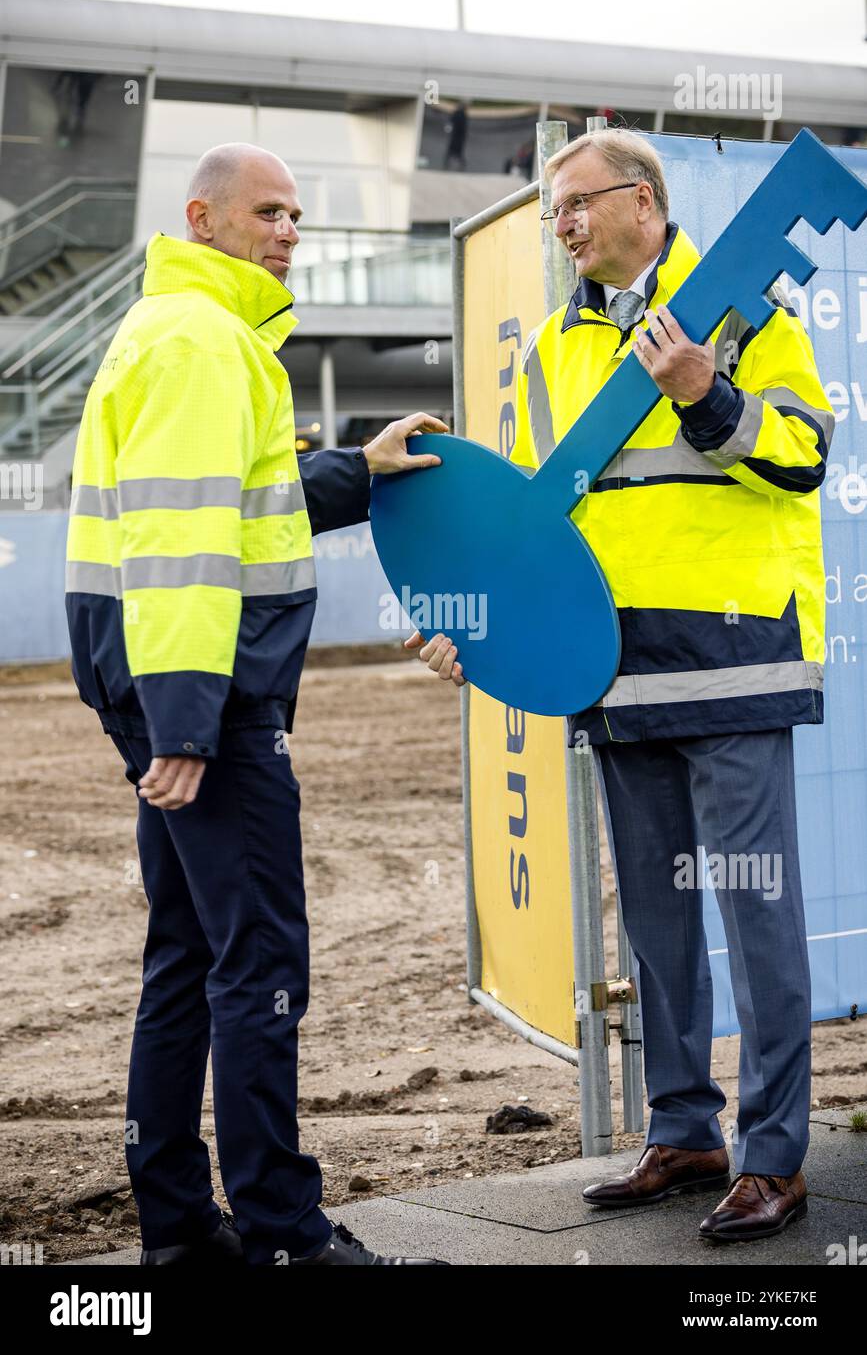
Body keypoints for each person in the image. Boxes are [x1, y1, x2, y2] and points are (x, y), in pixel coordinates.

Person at [408, 128, 835, 1243]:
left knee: (759, 920)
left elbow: (804, 452)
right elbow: (533, 522)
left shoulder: (746, 305)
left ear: (641, 201)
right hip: (619, 669)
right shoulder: (550, 348)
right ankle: (685, 1130)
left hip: (736, 654)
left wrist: (707, 392)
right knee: (656, 921)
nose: (562, 225)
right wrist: (477, 623)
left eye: (576, 204)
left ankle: (776, 1155)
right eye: (553, 211)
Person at [65, 142, 450, 1267]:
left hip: (174, 694)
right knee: (261, 963)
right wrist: (187, 721)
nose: (290, 231)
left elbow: (245, 504)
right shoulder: (202, 343)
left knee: (187, 956)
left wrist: (359, 467)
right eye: (269, 211)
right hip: (209, 706)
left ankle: (182, 1231)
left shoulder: (186, 334)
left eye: (297, 214)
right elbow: (181, 546)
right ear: (204, 217)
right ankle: (285, 1232)